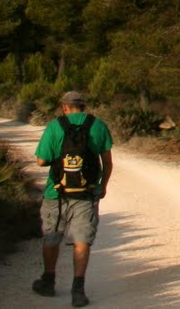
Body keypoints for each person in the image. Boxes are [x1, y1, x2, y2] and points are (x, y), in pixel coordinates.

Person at [32, 90, 114, 307]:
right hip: (86, 193)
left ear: (64, 107)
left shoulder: (54, 126)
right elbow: (107, 162)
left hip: (56, 192)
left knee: (52, 236)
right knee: (82, 239)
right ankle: (78, 290)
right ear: (83, 106)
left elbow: (41, 161)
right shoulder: (98, 126)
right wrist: (102, 186)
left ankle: (48, 281)